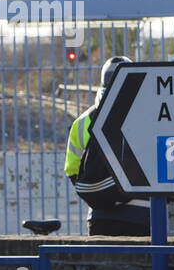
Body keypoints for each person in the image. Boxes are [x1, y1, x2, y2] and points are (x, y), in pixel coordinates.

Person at [64, 55, 149, 236]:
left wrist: (104, 196)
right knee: (148, 263)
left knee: (100, 263)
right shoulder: (148, 117)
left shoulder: (82, 122)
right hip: (142, 215)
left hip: (99, 217)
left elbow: (73, 171)